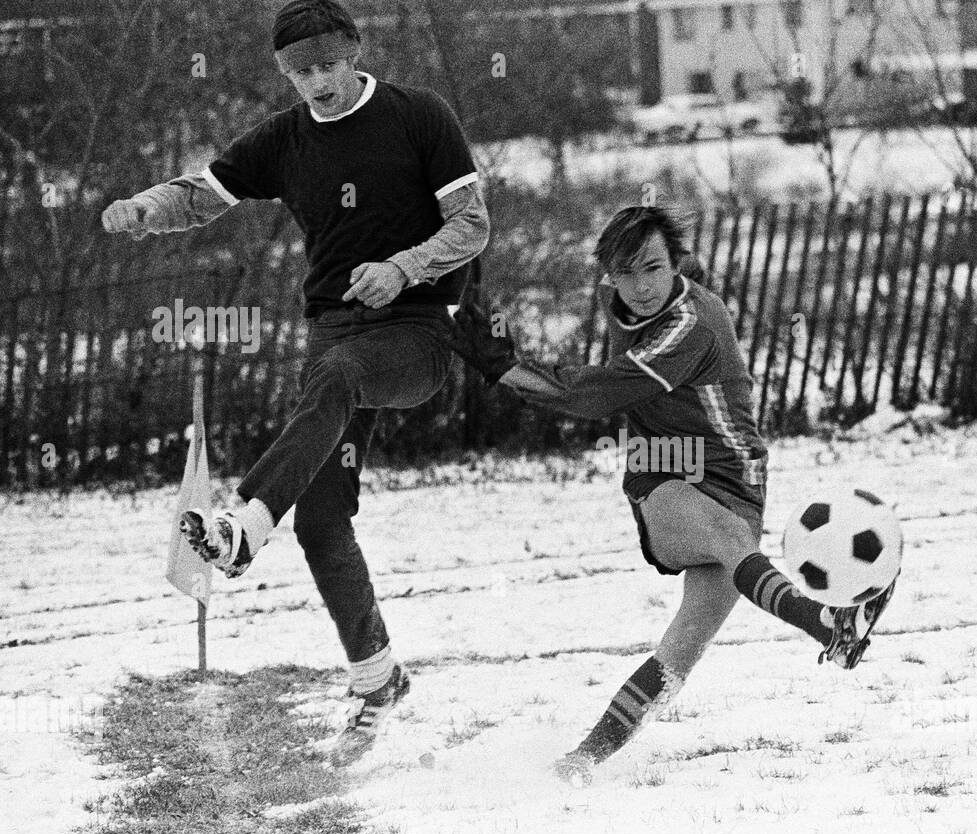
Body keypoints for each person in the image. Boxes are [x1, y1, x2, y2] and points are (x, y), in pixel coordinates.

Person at [101, 0, 489, 745]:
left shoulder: (418, 116)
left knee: (338, 375)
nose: (316, 84)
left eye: (326, 67)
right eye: (298, 72)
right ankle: (378, 676)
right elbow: (203, 193)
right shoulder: (284, 139)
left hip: (415, 335)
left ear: (354, 54)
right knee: (320, 519)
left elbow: (473, 224)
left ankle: (245, 522)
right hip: (334, 339)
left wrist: (404, 269)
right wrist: (146, 207)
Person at [446, 205, 896, 785]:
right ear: (608, 274)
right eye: (625, 272)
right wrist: (493, 334)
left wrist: (503, 367)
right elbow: (598, 382)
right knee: (728, 543)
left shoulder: (694, 326)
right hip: (662, 468)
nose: (640, 286)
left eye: (653, 267)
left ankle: (583, 759)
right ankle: (828, 622)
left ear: (677, 263)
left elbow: (595, 394)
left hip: (735, 477)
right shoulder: (631, 304)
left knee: (679, 649)